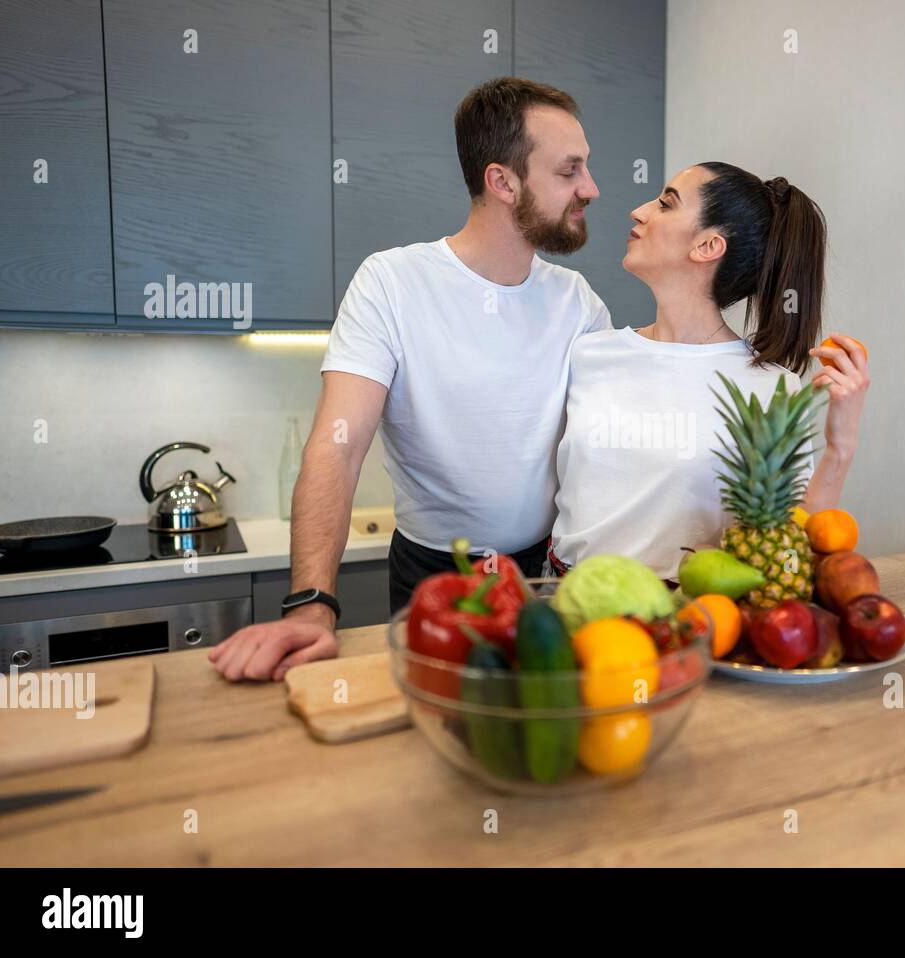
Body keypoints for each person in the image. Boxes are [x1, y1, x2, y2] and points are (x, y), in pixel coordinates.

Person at [210, 77, 607, 682]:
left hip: (545, 574)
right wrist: (311, 604)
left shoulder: (576, 302)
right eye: (569, 171)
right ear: (502, 181)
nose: (591, 188)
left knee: (535, 733)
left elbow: (608, 450)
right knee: (433, 733)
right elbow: (337, 448)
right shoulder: (391, 283)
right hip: (432, 576)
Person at [548, 162, 869, 579]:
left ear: (707, 246)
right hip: (565, 601)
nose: (639, 211)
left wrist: (840, 447)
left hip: (693, 617)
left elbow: (796, 544)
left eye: (665, 203)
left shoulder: (773, 389)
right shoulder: (589, 353)